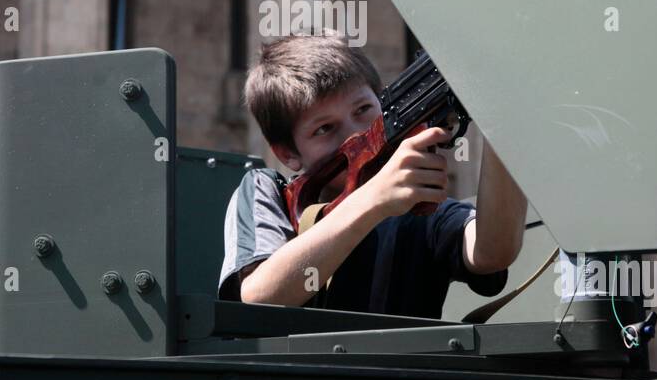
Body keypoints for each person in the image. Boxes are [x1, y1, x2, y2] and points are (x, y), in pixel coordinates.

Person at [218, 34, 527, 319]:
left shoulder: (417, 211)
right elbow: (260, 296)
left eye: (363, 110)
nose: (356, 134)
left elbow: (491, 253)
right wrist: (373, 200)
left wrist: (503, 123)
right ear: (287, 153)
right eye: (324, 129)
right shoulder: (267, 192)